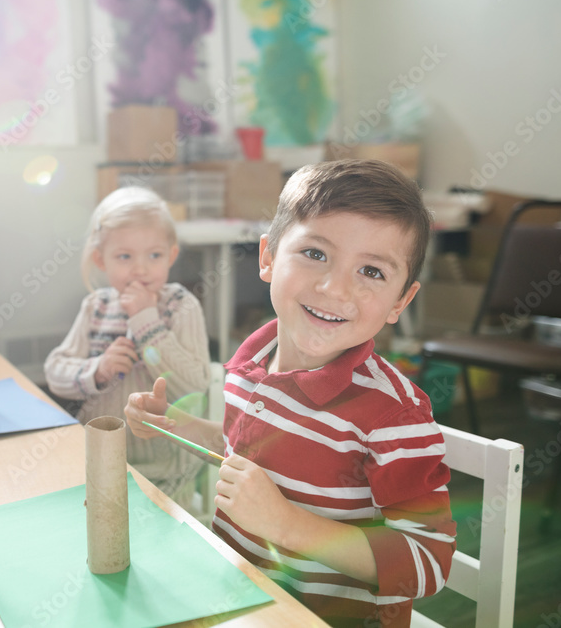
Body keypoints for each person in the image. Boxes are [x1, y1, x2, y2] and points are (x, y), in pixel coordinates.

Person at [125, 160, 457, 627]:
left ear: (400, 302)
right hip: (240, 595)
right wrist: (176, 426)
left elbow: (429, 562)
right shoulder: (250, 361)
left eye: (372, 272)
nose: (334, 287)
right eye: (316, 254)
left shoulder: (393, 417)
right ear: (267, 257)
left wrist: (285, 524)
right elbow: (239, 456)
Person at [45, 186, 211, 502]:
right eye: (124, 256)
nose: (140, 269)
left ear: (171, 255)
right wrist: (98, 369)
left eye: (154, 255)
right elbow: (55, 372)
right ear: (101, 260)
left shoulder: (181, 306)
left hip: (167, 474)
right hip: (98, 464)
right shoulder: (96, 306)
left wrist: (147, 321)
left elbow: (197, 384)